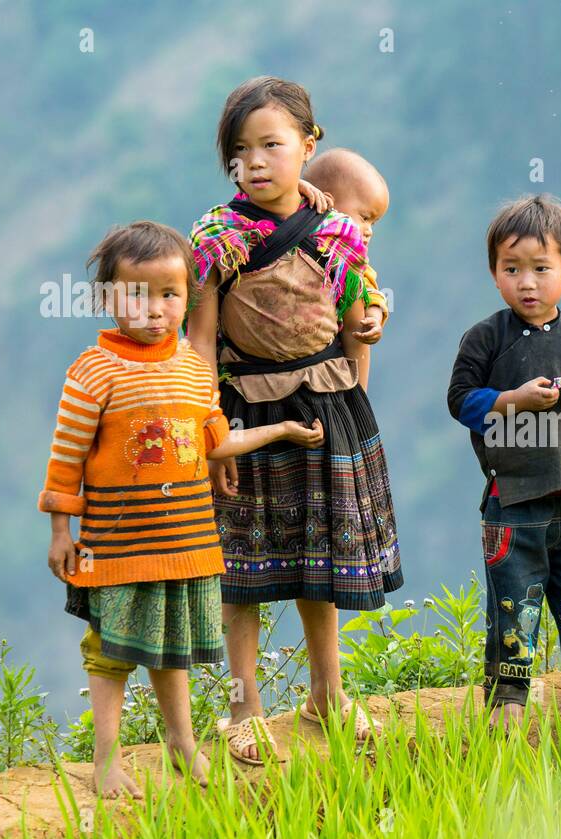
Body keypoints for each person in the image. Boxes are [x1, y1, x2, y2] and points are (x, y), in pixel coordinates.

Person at [41, 220, 325, 796]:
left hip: (187, 543)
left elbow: (216, 441)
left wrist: (281, 433)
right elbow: (66, 458)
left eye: (170, 296)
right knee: (110, 652)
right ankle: (106, 761)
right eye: (137, 296)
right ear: (106, 300)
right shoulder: (93, 373)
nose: (155, 311)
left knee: (171, 650)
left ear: (187, 297)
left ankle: (182, 742)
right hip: (118, 545)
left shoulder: (196, 370)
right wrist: (60, 531)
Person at [185, 76, 403, 762]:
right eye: (240, 151)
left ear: (309, 146)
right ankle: (242, 707)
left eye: (272, 144)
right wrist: (207, 433)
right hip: (243, 412)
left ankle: (328, 693)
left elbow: (355, 328)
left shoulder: (339, 235)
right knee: (240, 570)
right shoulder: (216, 239)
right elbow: (200, 339)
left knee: (322, 566)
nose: (255, 161)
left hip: (328, 410)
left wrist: (358, 413)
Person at [447, 194, 561, 730]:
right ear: (494, 274)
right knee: (513, 609)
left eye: (541, 269)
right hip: (513, 504)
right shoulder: (485, 338)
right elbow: (461, 402)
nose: (527, 282)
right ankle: (509, 699)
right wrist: (515, 399)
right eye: (512, 269)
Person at [303, 147, 390, 389]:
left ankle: (359, 408)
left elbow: (369, 288)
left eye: (374, 222)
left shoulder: (350, 262)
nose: (369, 230)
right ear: (328, 202)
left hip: (332, 369)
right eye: (364, 217)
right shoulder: (293, 240)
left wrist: (373, 316)